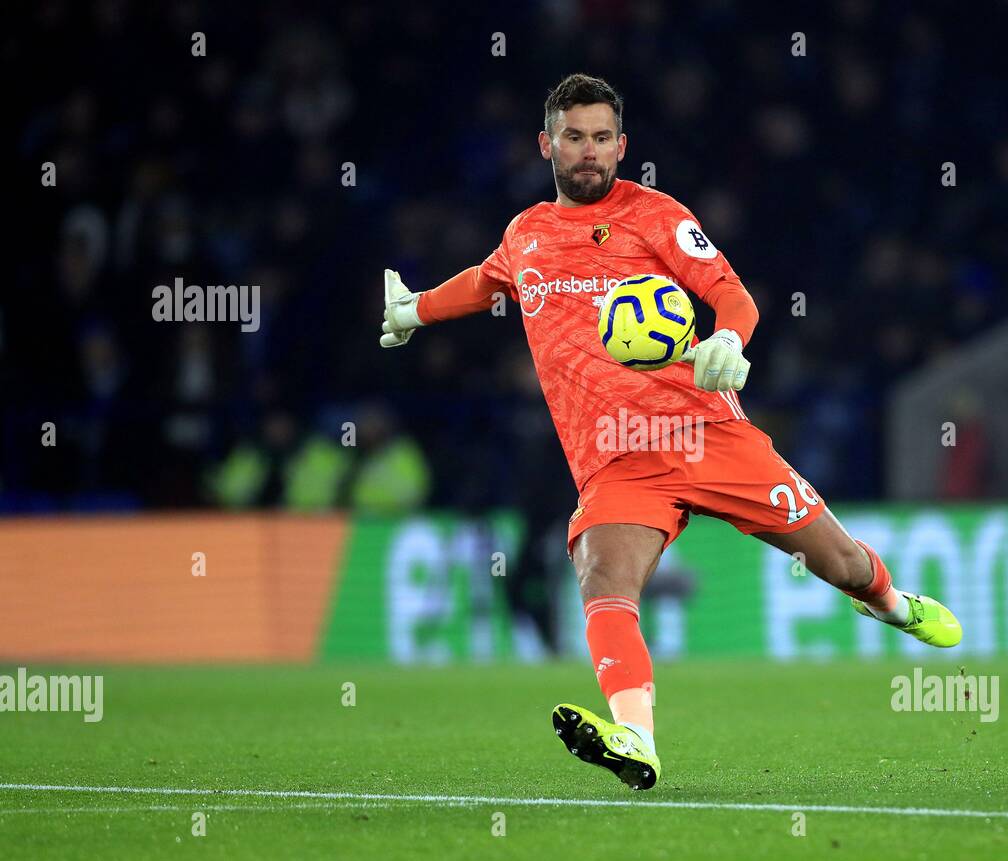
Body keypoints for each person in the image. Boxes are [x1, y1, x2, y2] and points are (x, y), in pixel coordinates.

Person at [378, 74, 961, 791]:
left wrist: (731, 341)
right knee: (602, 578)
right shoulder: (525, 234)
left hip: (706, 434)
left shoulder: (656, 216)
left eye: (600, 139)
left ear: (622, 146)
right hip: (617, 458)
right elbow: (486, 282)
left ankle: (896, 607)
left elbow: (730, 293)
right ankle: (637, 737)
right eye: (573, 138)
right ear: (545, 145)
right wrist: (413, 313)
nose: (587, 153)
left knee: (840, 563)